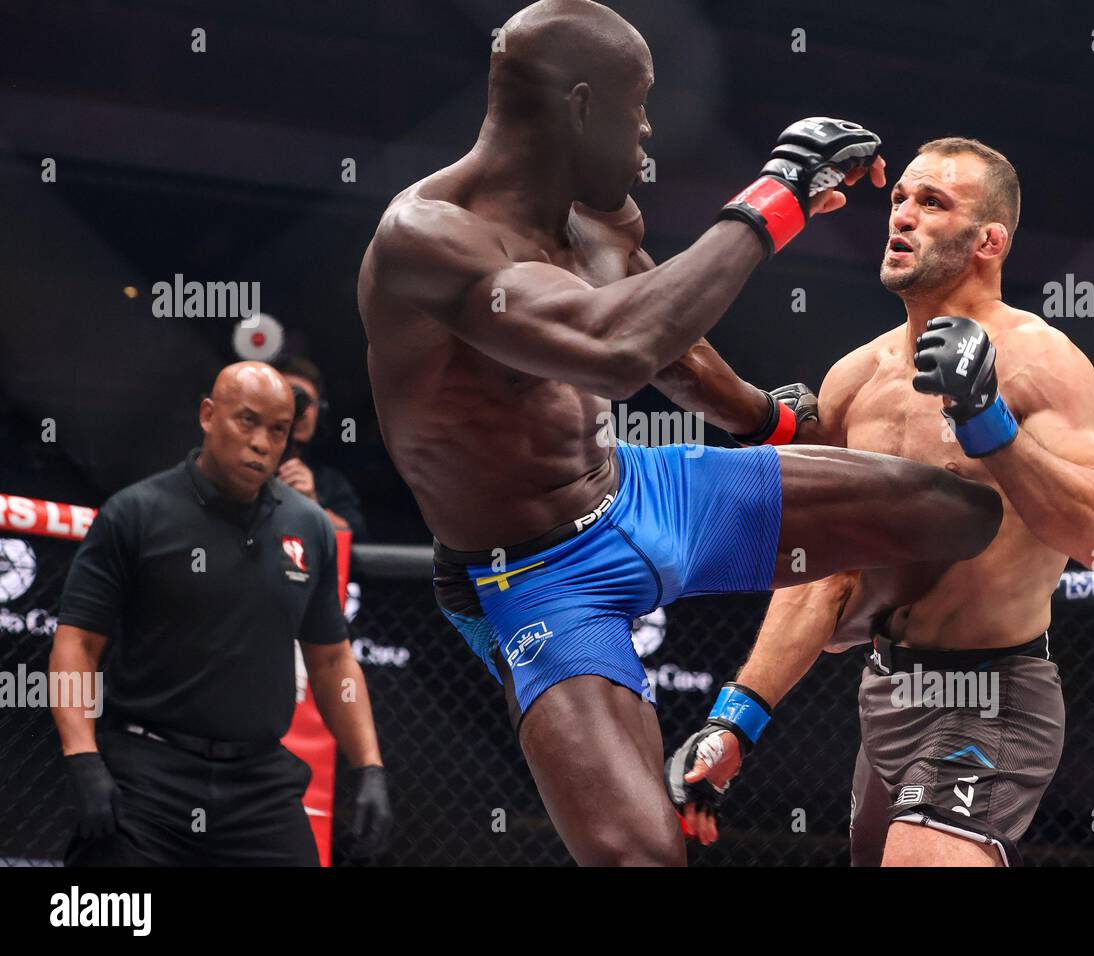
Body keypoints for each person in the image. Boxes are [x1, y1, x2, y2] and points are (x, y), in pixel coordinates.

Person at [358, 0, 1002, 866]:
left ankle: (893, 686)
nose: (651, 129)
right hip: (534, 576)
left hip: (644, 489)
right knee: (642, 858)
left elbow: (674, 351)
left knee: (956, 512)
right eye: (640, 104)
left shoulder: (601, 220)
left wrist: (766, 421)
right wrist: (775, 199)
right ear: (582, 107)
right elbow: (612, 351)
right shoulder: (427, 239)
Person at [667, 137, 1094, 866]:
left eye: (933, 203)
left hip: (993, 693)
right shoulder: (856, 379)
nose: (903, 217)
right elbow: (829, 573)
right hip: (886, 693)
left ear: (989, 241)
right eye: (899, 199)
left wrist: (990, 424)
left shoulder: (1042, 362)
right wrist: (737, 717)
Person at [50, 361, 391, 865]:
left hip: (260, 785)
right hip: (147, 773)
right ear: (208, 416)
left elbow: (333, 662)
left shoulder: (309, 527)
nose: (261, 443)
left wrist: (368, 767)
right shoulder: (135, 514)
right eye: (246, 421)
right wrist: (82, 758)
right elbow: (77, 642)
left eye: (277, 430)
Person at [274, 355, 370, 541]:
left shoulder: (331, 482)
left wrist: (311, 504)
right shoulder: (246, 466)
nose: (299, 410)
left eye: (306, 401)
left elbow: (356, 537)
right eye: (289, 396)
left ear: (320, 413)